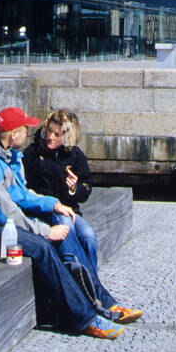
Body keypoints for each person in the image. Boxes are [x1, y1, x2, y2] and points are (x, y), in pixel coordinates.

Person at [0, 106, 139, 338]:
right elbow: (3, 212)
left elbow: (21, 195)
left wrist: (54, 204)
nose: (30, 134)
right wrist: (44, 231)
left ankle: (99, 301)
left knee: (66, 235)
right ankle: (85, 318)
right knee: (42, 247)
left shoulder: (4, 155)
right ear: (13, 134)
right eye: (25, 129)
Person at [22, 110, 141, 325]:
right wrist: (52, 204)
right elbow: (25, 189)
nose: (50, 137)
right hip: (44, 211)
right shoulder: (33, 153)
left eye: (57, 134)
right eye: (49, 131)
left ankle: (92, 288)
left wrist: (74, 189)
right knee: (66, 226)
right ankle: (94, 297)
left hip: (70, 209)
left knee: (88, 235)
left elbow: (86, 190)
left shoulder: (75, 155)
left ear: (66, 137)